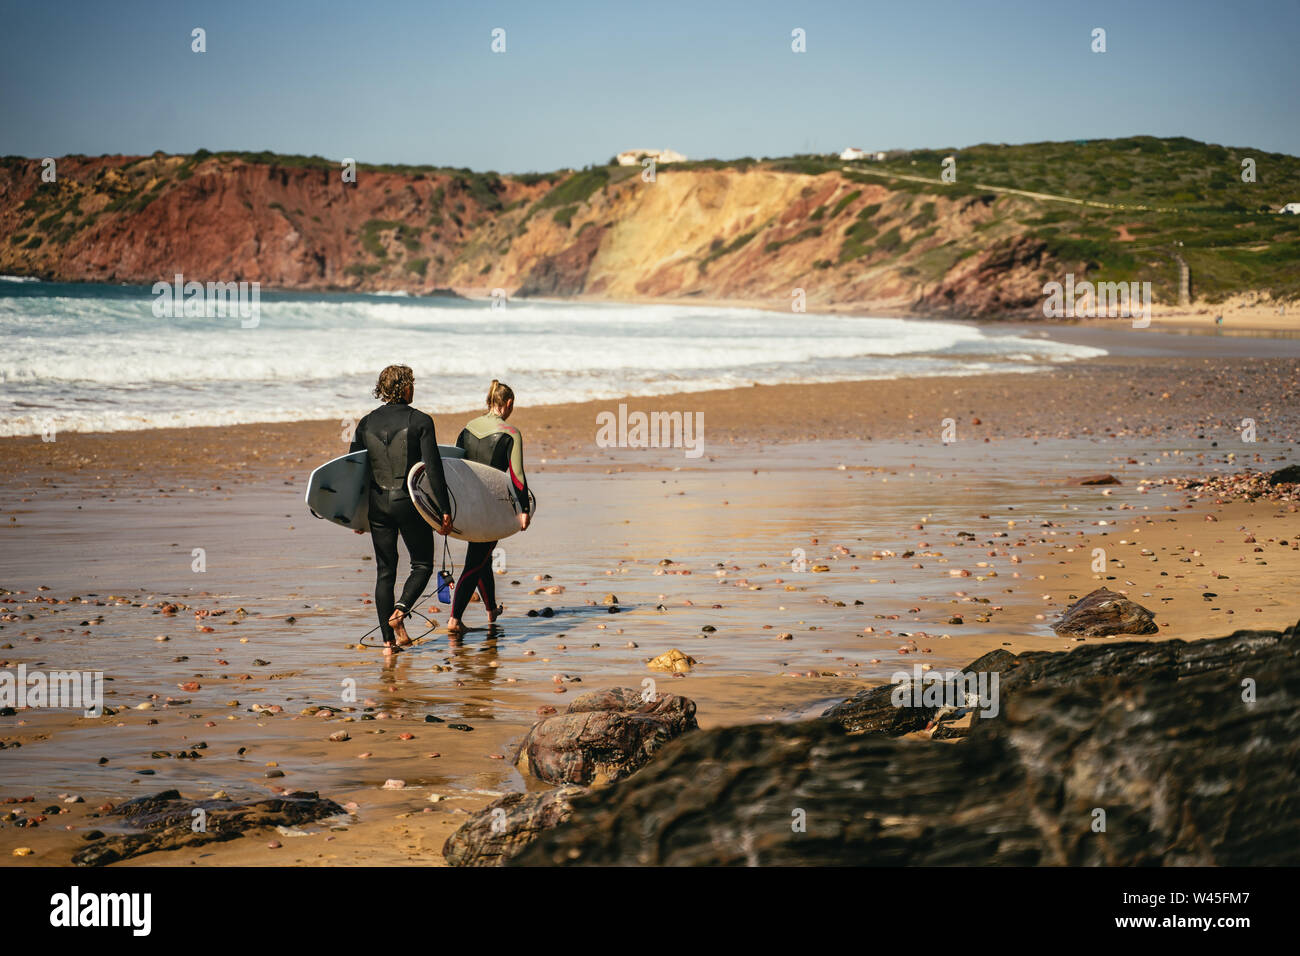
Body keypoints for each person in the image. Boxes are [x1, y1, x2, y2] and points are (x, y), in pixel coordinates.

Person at [350, 365, 452, 655]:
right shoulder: (421, 421)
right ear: (405, 388)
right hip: (410, 504)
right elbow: (433, 470)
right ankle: (400, 611)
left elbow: (354, 471)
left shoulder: (365, 423)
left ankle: (387, 644)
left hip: (377, 505)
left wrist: (354, 514)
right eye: (412, 384)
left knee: (385, 572)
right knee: (421, 565)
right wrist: (444, 510)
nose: (414, 388)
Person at [445, 380, 530, 634]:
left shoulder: (467, 428)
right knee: (476, 561)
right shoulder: (511, 433)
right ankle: (455, 620)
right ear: (509, 404)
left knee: (481, 554)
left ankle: (491, 609)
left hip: (466, 505)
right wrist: (524, 509)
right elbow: (517, 476)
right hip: (491, 506)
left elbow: (454, 466)